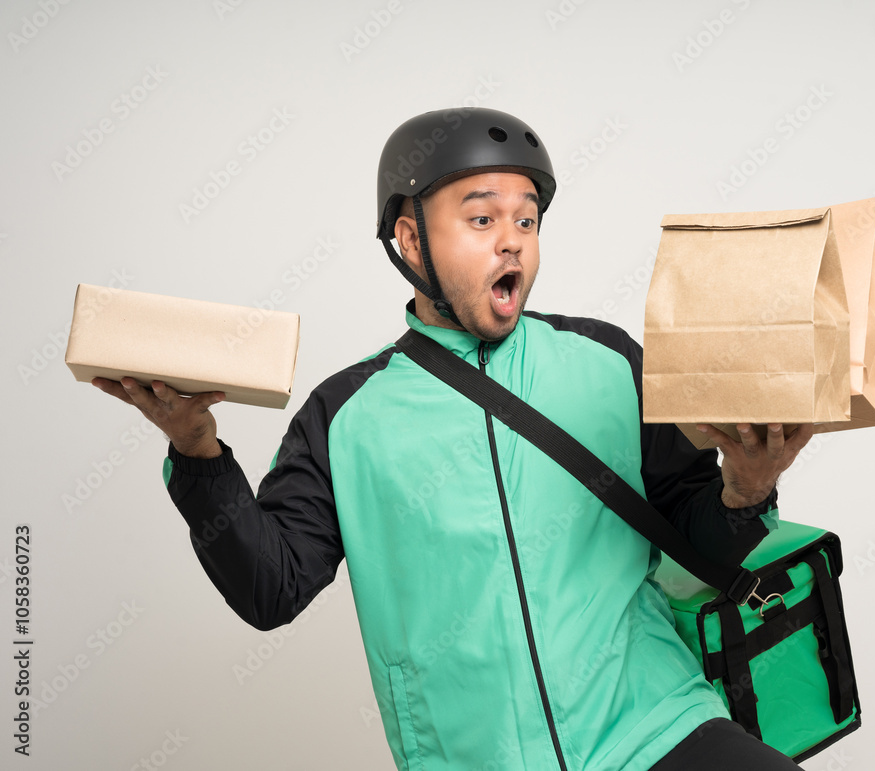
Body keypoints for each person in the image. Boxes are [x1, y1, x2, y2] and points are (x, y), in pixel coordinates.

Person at [93, 108, 813, 771]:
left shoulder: (608, 363)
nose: (512, 240)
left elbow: (701, 543)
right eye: (481, 219)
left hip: (655, 729)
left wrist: (746, 490)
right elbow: (268, 588)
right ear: (410, 239)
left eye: (526, 221)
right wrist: (196, 450)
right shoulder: (344, 416)